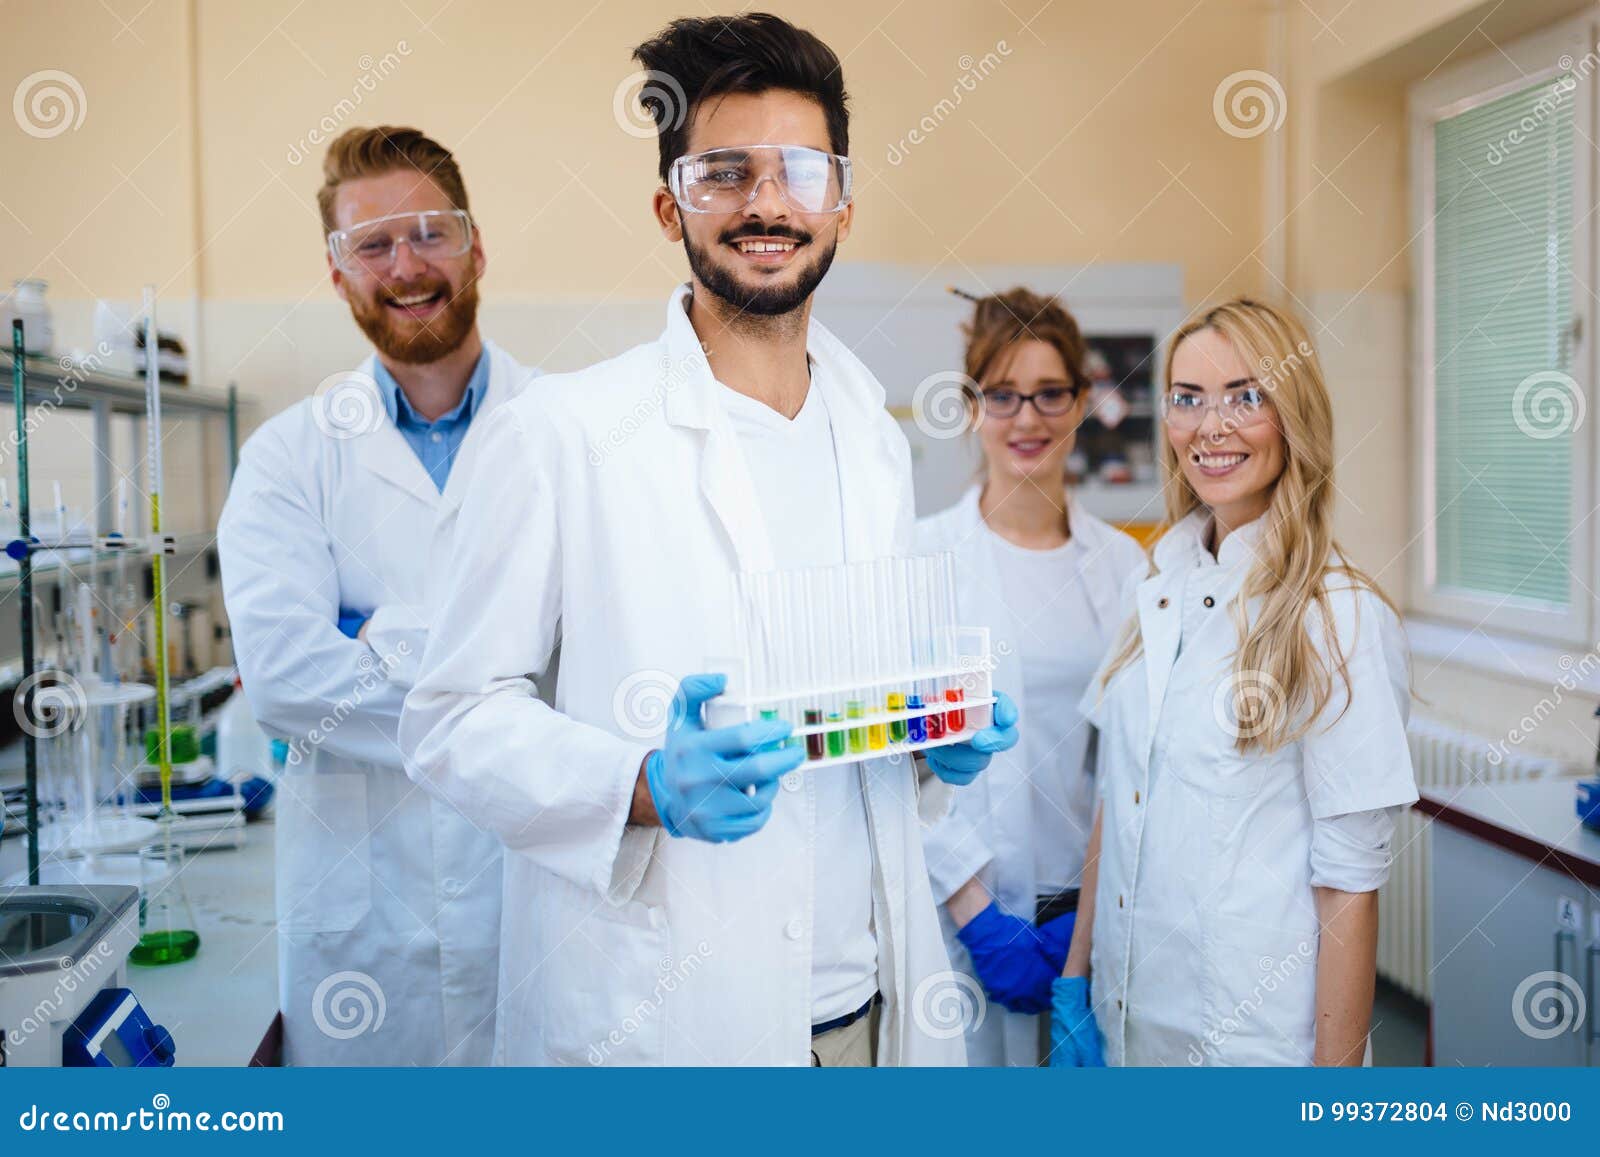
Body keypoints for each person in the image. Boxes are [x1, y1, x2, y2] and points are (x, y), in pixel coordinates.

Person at [400, 13, 1017, 1067]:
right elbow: (451, 718)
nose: (767, 203)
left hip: (866, 1012)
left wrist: (926, 743)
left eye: (800, 173)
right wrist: (641, 780)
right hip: (665, 1024)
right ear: (667, 205)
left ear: (842, 203)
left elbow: (849, 713)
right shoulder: (562, 434)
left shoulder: (870, 435)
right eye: (724, 173)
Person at [217, 126, 537, 1066]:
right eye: (373, 245)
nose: (407, 266)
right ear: (338, 273)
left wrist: (373, 638)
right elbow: (280, 682)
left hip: (534, 907)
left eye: (431, 233)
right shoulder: (286, 458)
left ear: (477, 245)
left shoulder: (568, 433)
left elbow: (590, 659)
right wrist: (498, 666)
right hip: (363, 940)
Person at [1050, 298, 1418, 1067]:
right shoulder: (1151, 584)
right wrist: (1076, 982)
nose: (1210, 427)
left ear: (1294, 417)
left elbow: (1349, 886)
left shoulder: (1335, 616)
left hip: (1246, 1051)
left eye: (1246, 396)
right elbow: (1118, 801)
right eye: (1188, 399)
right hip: (1123, 1027)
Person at [915, 289, 1145, 1066]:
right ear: (971, 406)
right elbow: (893, 758)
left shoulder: (1124, 568)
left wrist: (1086, 923)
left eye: (1050, 393)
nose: (1027, 418)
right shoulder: (923, 560)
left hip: (1090, 915)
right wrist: (975, 912)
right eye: (1003, 395)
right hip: (961, 918)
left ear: (1082, 402)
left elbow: (1135, 759)